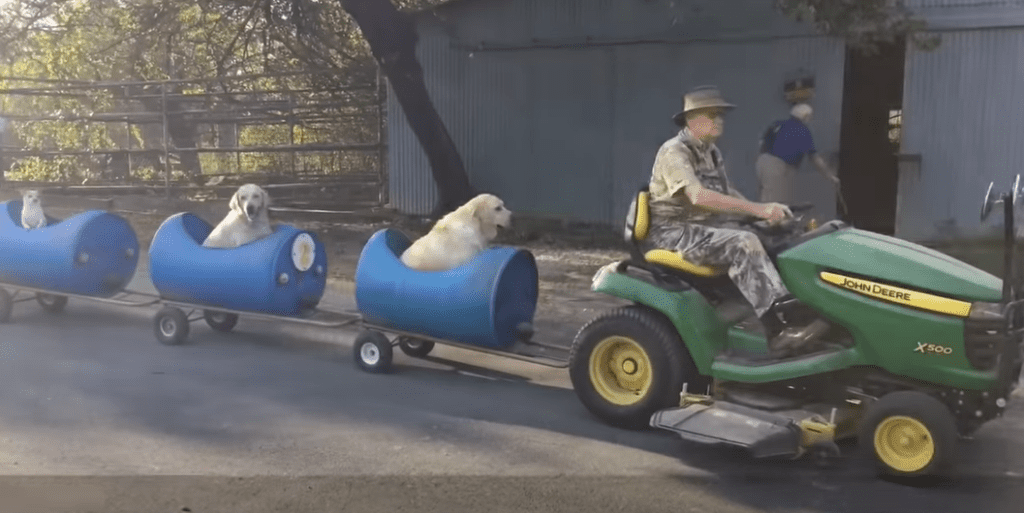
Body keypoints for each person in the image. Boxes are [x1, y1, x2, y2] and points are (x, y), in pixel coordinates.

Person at [634, 85, 825, 354]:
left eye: (721, 115)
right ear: (691, 119)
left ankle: (796, 309)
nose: (720, 120)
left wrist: (764, 210)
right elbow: (699, 197)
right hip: (672, 232)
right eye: (712, 115)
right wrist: (757, 211)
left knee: (772, 234)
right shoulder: (674, 152)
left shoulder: (711, 152)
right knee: (743, 242)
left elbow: (725, 193)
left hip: (703, 226)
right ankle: (778, 331)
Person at [756, 103, 840, 204]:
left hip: (763, 162)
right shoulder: (802, 130)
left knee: (767, 197)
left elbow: (762, 144)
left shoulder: (777, 124)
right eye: (810, 117)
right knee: (772, 202)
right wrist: (830, 176)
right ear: (805, 116)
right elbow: (814, 157)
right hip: (778, 166)